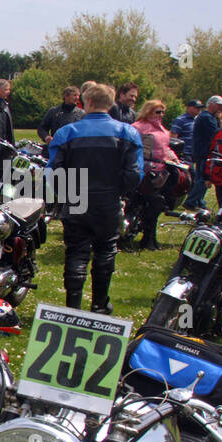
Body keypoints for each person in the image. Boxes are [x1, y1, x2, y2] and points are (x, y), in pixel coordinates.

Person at [48, 83, 143, 314]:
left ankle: (73, 307)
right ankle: (99, 304)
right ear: (110, 104)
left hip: (76, 197)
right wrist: (117, 190)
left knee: (76, 252)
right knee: (105, 250)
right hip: (108, 199)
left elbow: (53, 173)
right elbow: (134, 174)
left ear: (86, 103)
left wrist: (68, 193)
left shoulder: (66, 133)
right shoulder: (126, 133)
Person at [130, 100, 178, 250]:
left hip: (161, 171)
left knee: (157, 205)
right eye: (158, 112)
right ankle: (146, 236)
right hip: (144, 171)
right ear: (148, 111)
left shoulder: (162, 128)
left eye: (163, 112)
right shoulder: (138, 127)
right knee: (152, 203)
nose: (161, 115)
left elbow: (165, 147)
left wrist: (174, 157)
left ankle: (150, 236)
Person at [186, 95, 222, 209]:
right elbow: (217, 133)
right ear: (211, 104)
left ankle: (198, 201)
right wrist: (220, 120)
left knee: (202, 176)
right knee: (204, 177)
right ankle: (192, 201)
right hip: (203, 151)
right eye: (218, 105)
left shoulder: (207, 117)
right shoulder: (206, 118)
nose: (220, 108)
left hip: (202, 151)